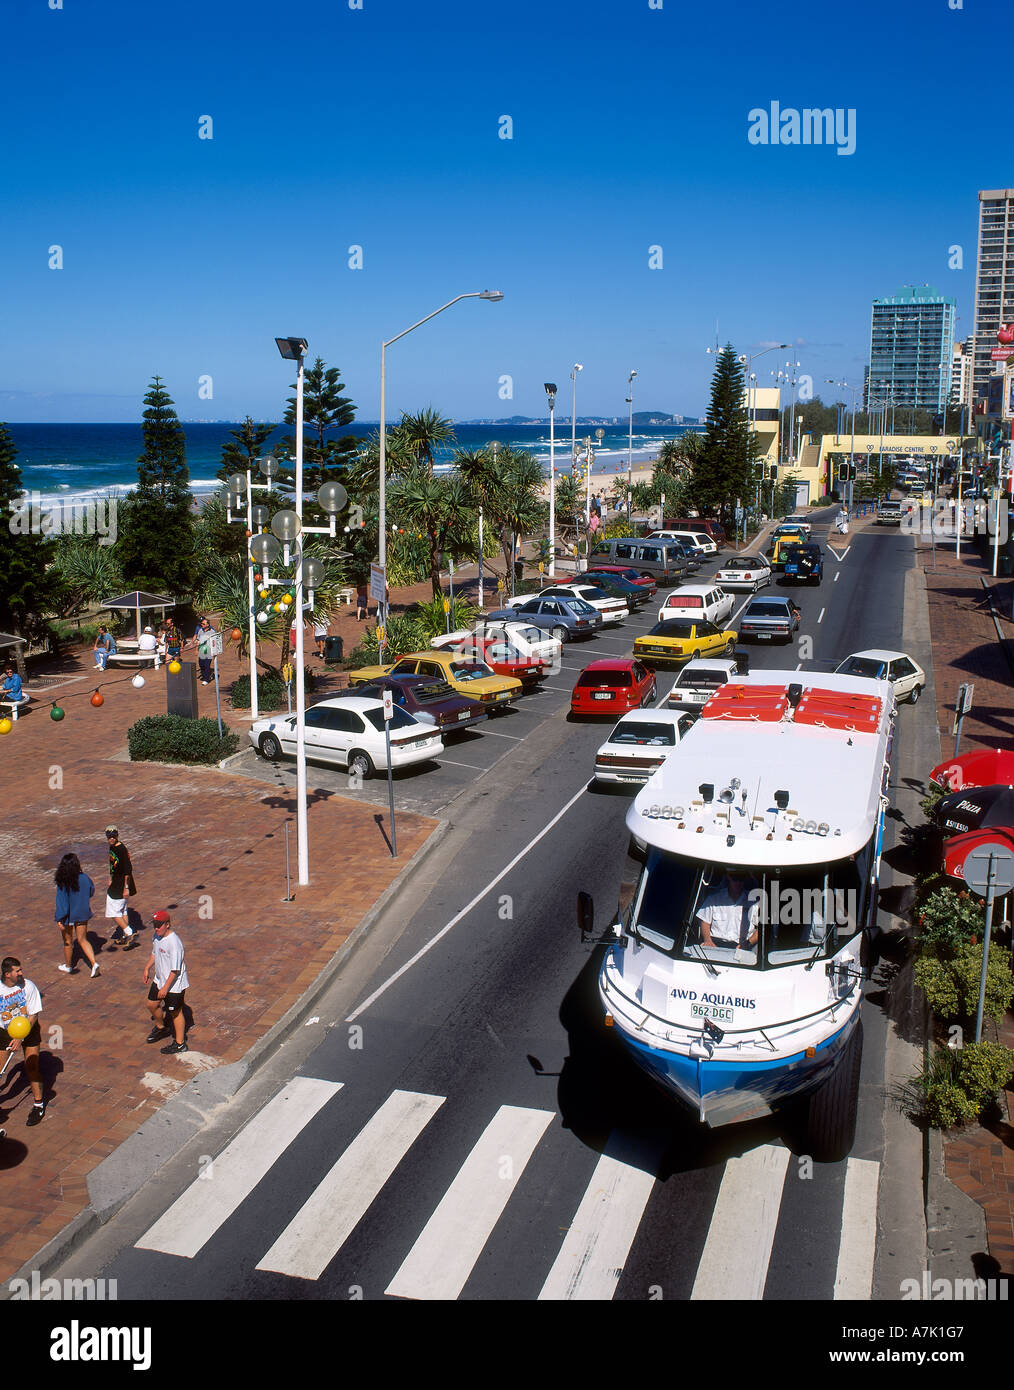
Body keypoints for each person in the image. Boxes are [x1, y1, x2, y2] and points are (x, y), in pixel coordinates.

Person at [0, 957, 46, 1126]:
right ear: (7, 974)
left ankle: (38, 1105)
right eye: (17, 970)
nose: (21, 973)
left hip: (29, 1028)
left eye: (20, 970)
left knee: (31, 1066)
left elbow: (34, 1014)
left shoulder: (29, 986)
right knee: (0, 1069)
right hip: (5, 1031)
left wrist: (21, 1036)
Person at [143, 911, 189, 1054]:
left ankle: (180, 1044)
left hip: (174, 985)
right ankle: (162, 1027)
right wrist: (147, 968)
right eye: (154, 925)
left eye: (159, 925)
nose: (156, 928)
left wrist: (165, 988)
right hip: (160, 979)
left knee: (175, 1012)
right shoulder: (157, 936)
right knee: (151, 1004)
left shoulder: (174, 943)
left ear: (167, 925)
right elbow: (155, 953)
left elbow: (175, 971)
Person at [54, 852, 99, 977]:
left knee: (68, 942)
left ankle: (68, 966)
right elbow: (91, 891)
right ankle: (94, 963)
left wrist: (59, 918)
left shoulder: (63, 881)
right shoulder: (85, 878)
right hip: (83, 913)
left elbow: (62, 902)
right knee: (82, 940)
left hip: (68, 916)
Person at [695, 872, 760, 950]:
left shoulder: (754, 902)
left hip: (743, 947)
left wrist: (748, 943)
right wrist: (707, 940)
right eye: (735, 879)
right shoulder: (714, 898)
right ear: (729, 878)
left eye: (741, 879)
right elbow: (704, 921)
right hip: (714, 945)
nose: (738, 883)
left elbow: (761, 929)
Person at [105, 825, 139, 949]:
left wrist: (126, 887)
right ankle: (126, 936)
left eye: (113, 836)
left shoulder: (121, 849)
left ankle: (131, 932)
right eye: (109, 837)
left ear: (117, 836)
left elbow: (127, 870)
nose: (111, 839)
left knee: (113, 912)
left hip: (120, 885)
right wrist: (110, 877)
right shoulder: (112, 847)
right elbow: (112, 865)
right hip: (116, 882)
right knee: (123, 910)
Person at [192, 616, 216, 685]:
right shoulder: (200, 631)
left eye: (203, 624)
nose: (201, 625)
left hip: (208, 651)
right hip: (201, 650)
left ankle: (206, 679)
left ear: (208, 625)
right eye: (201, 624)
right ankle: (208, 675)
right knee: (201, 665)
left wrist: (213, 651)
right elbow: (198, 641)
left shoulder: (212, 632)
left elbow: (214, 642)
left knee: (206, 665)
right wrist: (196, 649)